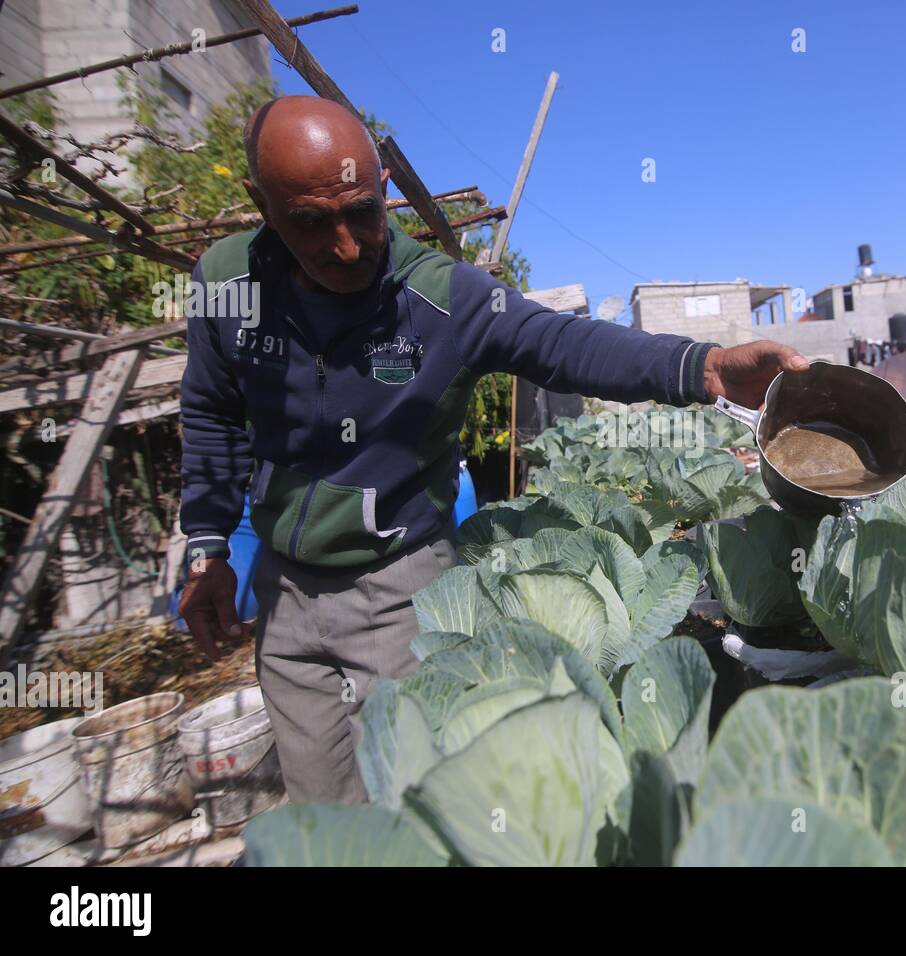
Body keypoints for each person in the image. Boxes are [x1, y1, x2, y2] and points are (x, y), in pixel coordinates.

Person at [177, 95, 807, 803]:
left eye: (361, 212)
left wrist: (706, 367)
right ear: (260, 204)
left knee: (419, 803)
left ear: (384, 187)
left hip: (402, 591)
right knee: (323, 811)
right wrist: (205, 545)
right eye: (310, 223)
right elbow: (210, 411)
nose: (346, 246)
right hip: (284, 590)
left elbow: (564, 344)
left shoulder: (441, 297)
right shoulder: (227, 283)